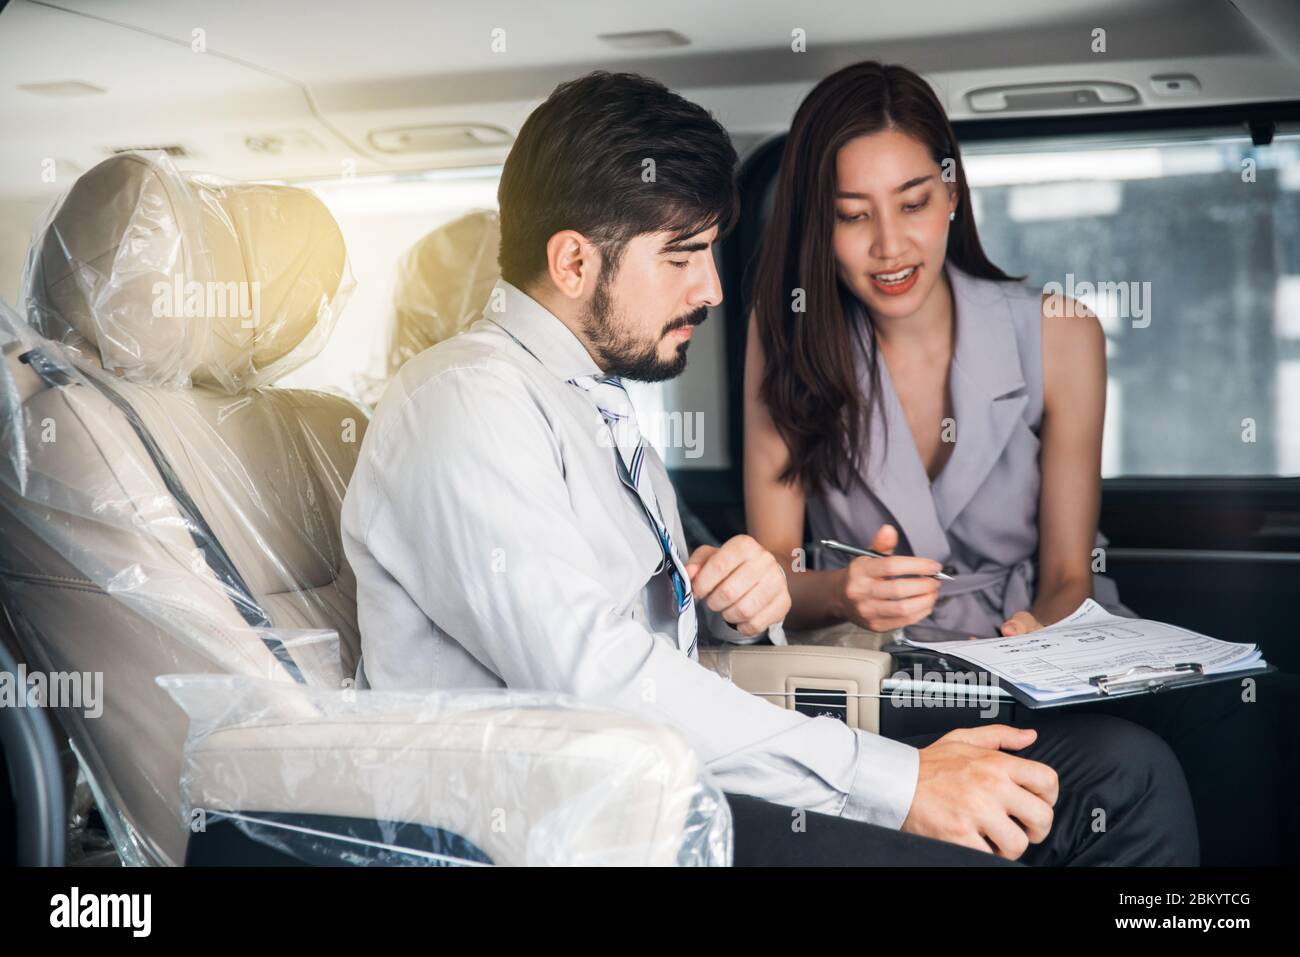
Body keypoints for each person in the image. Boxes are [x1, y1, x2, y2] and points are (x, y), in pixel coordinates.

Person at [342, 69, 1197, 865]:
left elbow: (653, 641)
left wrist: (731, 594)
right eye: (682, 256)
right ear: (573, 263)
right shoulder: (465, 404)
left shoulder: (586, 399)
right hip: (595, 815)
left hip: (671, 760)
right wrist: (900, 782)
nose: (713, 289)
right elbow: (599, 682)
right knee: (1038, 810)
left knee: (1119, 774)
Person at [744, 59, 1298, 864]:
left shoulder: (1062, 333)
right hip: (885, 676)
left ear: (952, 194)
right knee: (1128, 766)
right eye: (852, 215)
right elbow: (770, 583)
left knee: (1253, 712)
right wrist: (842, 591)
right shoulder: (785, 337)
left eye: (913, 203)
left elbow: (1070, 568)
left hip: (1041, 649)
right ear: (816, 226)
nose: (890, 245)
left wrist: (1041, 634)